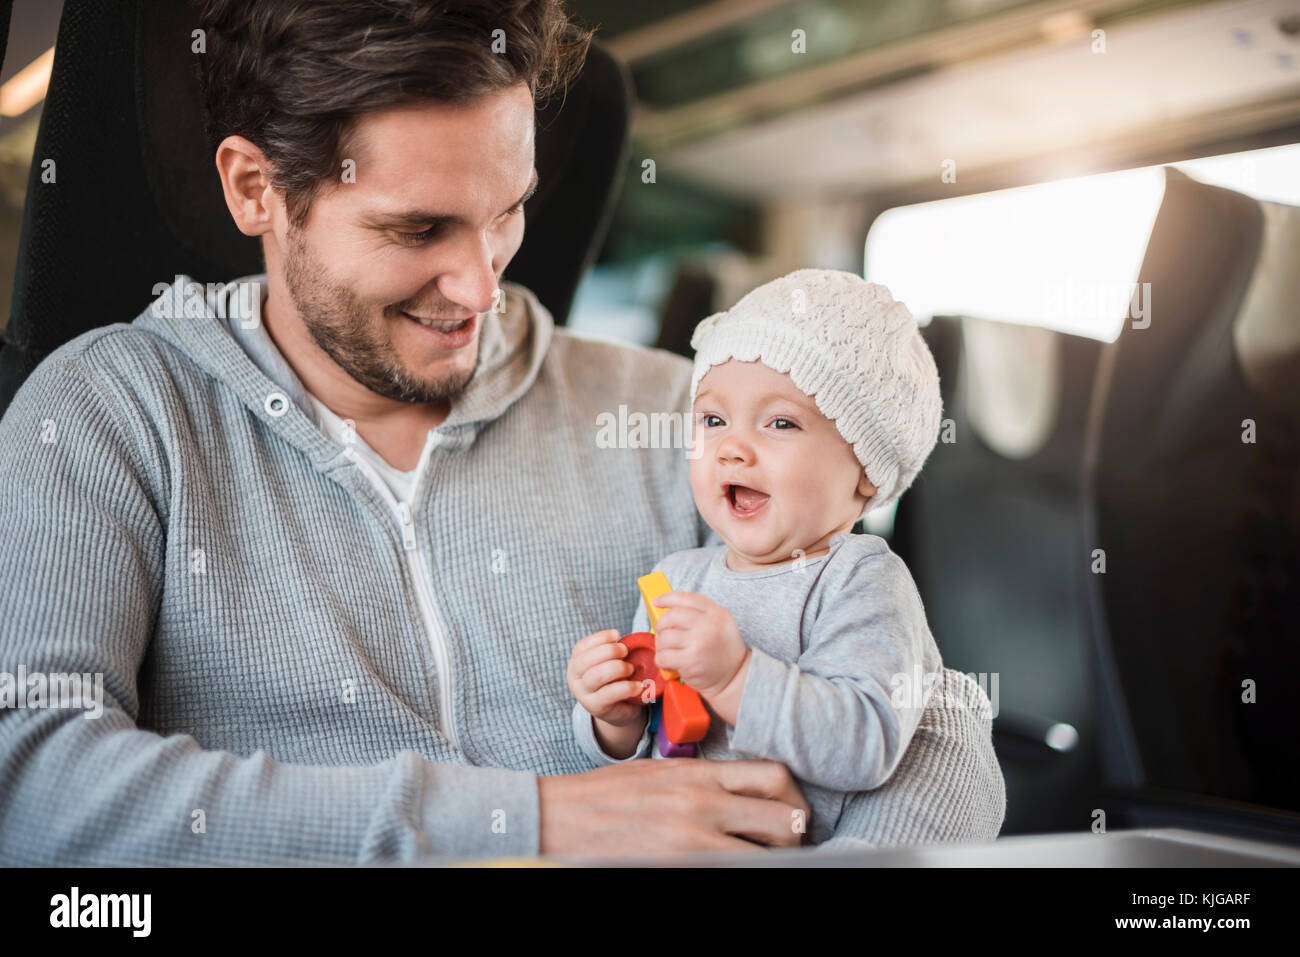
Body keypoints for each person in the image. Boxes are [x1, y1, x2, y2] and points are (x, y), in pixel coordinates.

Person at [0, 0, 1004, 864]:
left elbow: (929, 711)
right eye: (417, 229)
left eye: (506, 213)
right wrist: (532, 822)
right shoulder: (107, 412)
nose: (482, 286)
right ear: (257, 188)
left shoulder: (683, 418)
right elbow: (36, 783)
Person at [569, 270, 954, 845]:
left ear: (867, 475)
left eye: (780, 423)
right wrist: (612, 720)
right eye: (713, 420)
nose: (733, 447)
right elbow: (651, 750)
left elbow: (867, 743)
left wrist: (736, 678)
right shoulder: (676, 579)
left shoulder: (862, 579)